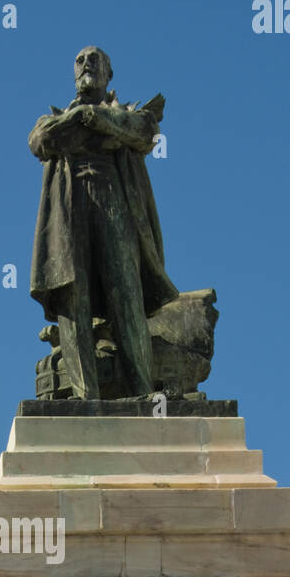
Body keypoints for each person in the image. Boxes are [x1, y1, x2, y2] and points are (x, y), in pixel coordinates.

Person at [29, 46, 178, 398]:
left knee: (125, 290)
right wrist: (85, 121)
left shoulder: (127, 112)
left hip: (115, 203)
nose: (87, 64)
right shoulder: (52, 117)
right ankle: (86, 397)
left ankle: (142, 390)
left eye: (96, 59)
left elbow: (144, 130)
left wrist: (102, 122)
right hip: (69, 211)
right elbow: (41, 140)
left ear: (109, 74)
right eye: (80, 60)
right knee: (71, 295)